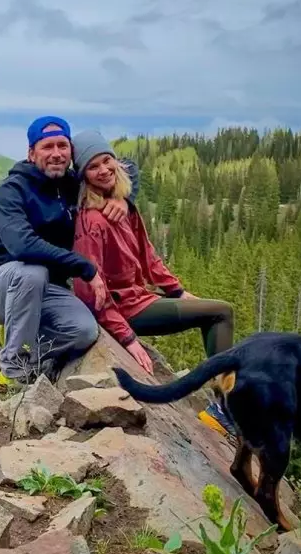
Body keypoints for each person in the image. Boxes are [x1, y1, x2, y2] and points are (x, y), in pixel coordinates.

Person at [69, 129, 236, 436]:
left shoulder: (123, 206)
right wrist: (126, 337)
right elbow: (89, 288)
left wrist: (177, 290)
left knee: (215, 311)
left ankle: (226, 405)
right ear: (84, 177)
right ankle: (227, 409)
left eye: (107, 161)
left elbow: (149, 257)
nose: (103, 170)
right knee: (220, 312)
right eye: (93, 167)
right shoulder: (91, 222)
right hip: (126, 309)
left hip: (139, 298)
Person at [0, 115, 140, 386]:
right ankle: (12, 373)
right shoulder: (11, 190)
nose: (56, 154)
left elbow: (128, 168)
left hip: (50, 289)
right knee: (32, 272)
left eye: (62, 146)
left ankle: (32, 359)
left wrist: (125, 198)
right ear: (31, 153)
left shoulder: (71, 184)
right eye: (47, 147)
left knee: (84, 331)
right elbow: (22, 245)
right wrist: (85, 267)